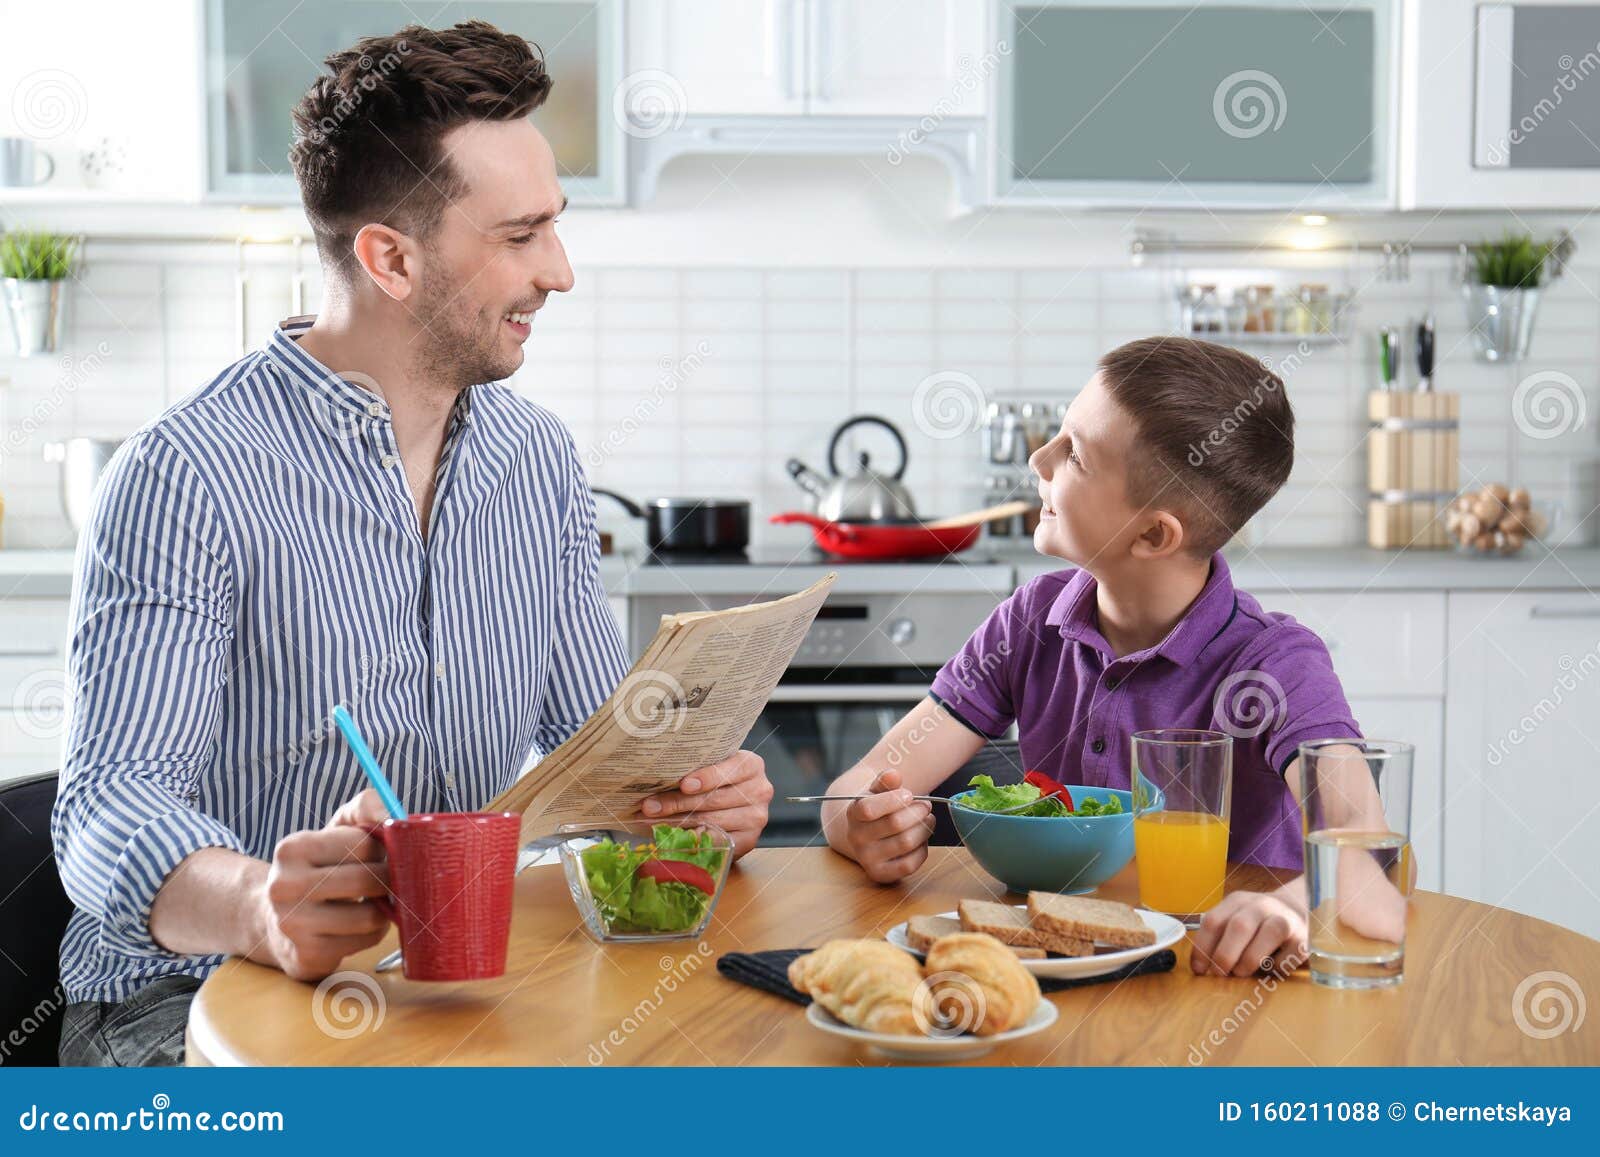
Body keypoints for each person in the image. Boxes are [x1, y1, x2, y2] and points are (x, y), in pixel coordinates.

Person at [53, 21, 772, 1067]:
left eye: (554, 227)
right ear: (390, 257)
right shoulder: (187, 477)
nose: (559, 271)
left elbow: (598, 758)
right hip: (182, 1007)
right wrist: (261, 905)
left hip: (445, 991)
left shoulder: (537, 462)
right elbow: (104, 808)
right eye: (520, 236)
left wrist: (687, 806)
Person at [822, 336, 1402, 978]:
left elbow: (1365, 845)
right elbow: (855, 788)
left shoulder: (1275, 663)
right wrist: (862, 827)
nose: (1039, 458)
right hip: (1060, 972)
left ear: (1154, 533)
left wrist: (1294, 908)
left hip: (1217, 984)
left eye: (1075, 454)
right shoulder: (1027, 624)